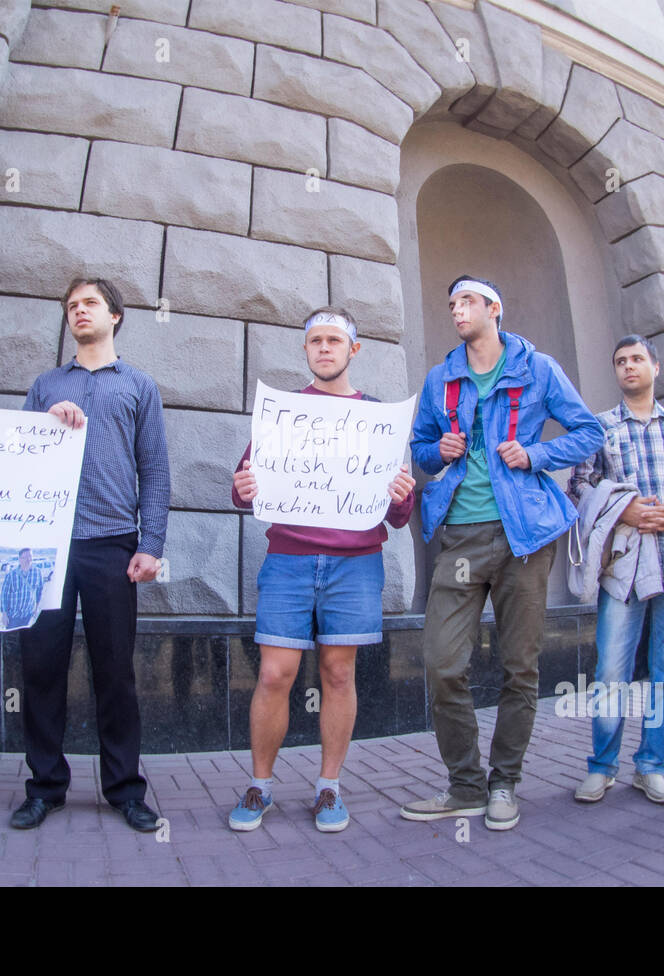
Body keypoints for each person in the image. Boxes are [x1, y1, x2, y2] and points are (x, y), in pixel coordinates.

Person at [402, 275, 604, 830]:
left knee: (521, 667)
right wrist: (434, 449)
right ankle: (465, 785)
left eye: (467, 301)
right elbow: (420, 451)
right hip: (461, 536)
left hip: (526, 537)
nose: (457, 310)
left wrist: (536, 453)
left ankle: (503, 783)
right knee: (442, 662)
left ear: (495, 307)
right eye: (451, 304)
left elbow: (588, 431)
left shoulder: (537, 368)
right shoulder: (441, 376)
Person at [228, 308, 415, 833]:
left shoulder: (378, 418)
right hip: (287, 559)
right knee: (273, 674)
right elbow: (245, 487)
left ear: (354, 350)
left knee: (338, 673)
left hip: (356, 563)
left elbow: (397, 514)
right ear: (306, 351)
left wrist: (403, 497)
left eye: (335, 340)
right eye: (315, 341)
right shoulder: (283, 412)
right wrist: (241, 489)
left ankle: (329, 786)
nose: (325, 348)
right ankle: (260, 785)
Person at [10, 276, 170, 832]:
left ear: (115, 316)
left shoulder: (139, 386)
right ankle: (44, 787)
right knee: (41, 668)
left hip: (111, 545)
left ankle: (125, 789)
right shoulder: (45, 383)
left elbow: (154, 470)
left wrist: (151, 545)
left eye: (90, 304)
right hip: (46, 545)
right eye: (72, 306)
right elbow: (15, 461)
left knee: (115, 673)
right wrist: (44, 425)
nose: (80, 311)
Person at [567, 335, 664, 804]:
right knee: (612, 671)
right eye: (620, 361)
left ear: (655, 366)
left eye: (636, 359)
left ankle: (651, 766)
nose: (628, 367)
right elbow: (580, 483)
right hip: (622, 567)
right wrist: (624, 509)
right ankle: (602, 766)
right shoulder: (600, 427)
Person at [0, 547, 44, 629]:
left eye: (30, 556)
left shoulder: (38, 573)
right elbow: (4, 595)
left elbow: (39, 591)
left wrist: (36, 608)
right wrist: (4, 614)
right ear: (20, 559)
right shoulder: (11, 575)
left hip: (28, 615)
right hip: (13, 616)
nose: (28, 559)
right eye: (25, 557)